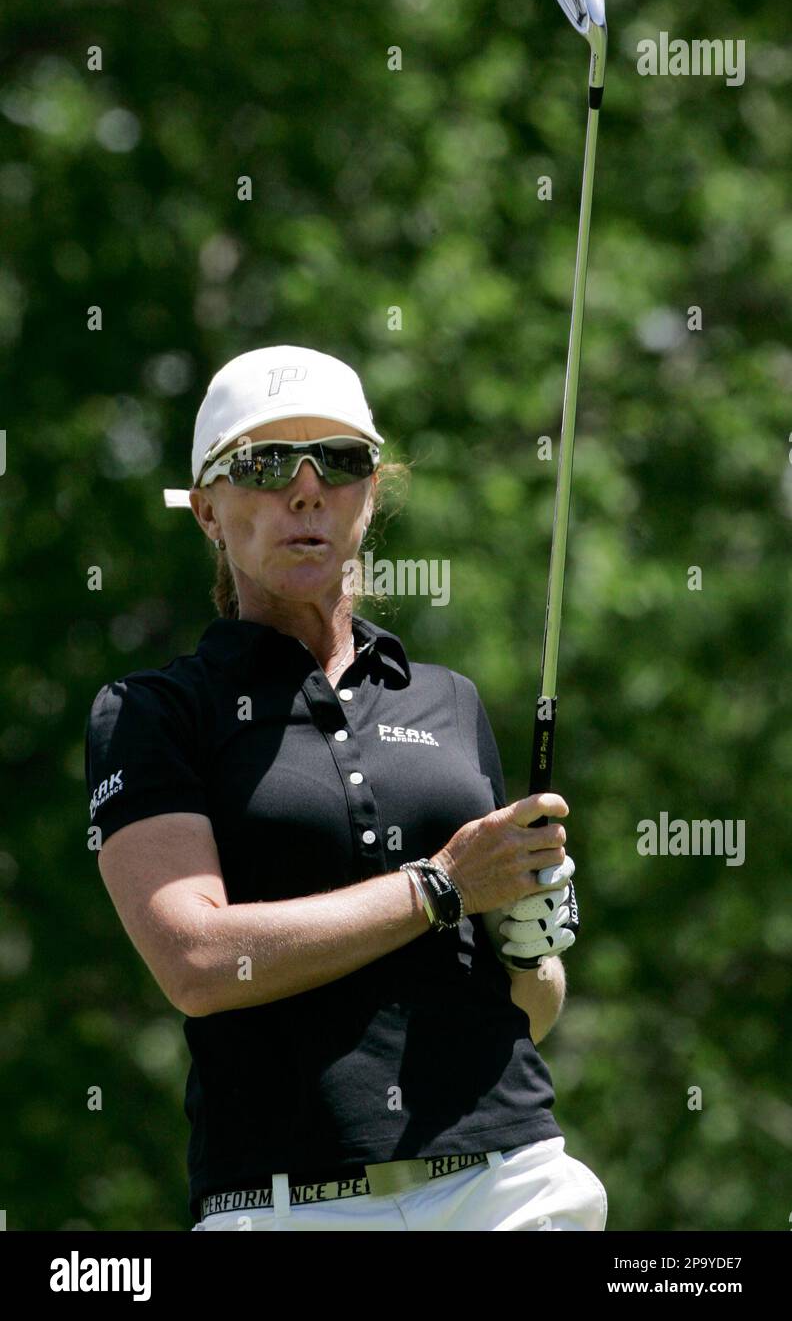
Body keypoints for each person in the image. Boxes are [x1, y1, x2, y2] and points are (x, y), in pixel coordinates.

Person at [84, 344, 607, 1232]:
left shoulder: (449, 702)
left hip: (509, 1186)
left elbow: (526, 1006)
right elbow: (197, 963)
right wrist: (438, 887)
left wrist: (528, 943)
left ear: (372, 491)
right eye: (264, 463)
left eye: (340, 460)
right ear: (206, 510)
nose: (305, 488)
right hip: (287, 1209)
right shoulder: (153, 712)